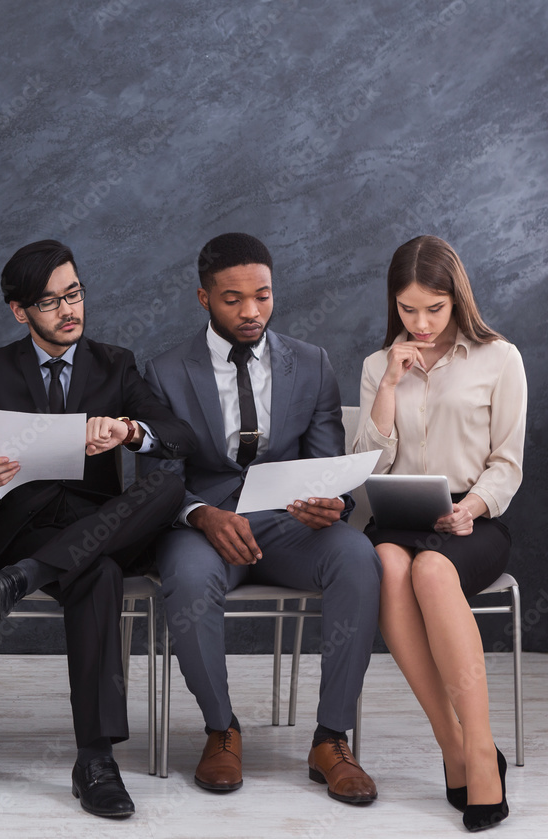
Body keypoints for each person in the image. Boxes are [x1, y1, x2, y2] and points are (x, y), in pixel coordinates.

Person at [144, 232, 382, 804]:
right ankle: (221, 730)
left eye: (263, 296)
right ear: (204, 298)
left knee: (357, 557)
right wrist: (201, 515)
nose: (251, 311)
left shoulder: (312, 363)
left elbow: (326, 465)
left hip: (288, 523)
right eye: (233, 299)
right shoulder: (165, 372)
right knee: (189, 578)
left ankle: (331, 738)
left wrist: (333, 502)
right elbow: (156, 482)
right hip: (204, 527)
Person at [0, 239, 196, 819]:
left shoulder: (116, 363)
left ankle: (28, 578)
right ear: (20, 312)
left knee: (167, 484)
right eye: (49, 302)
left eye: (73, 294)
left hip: (102, 521)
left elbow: (178, 436)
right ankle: (95, 761)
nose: (68, 310)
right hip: (26, 525)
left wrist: (128, 431)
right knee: (98, 573)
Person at [353, 235, 525, 831]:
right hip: (397, 516)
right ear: (393, 304)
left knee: (430, 568)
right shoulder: (378, 366)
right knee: (388, 564)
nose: (421, 323)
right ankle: (450, 744)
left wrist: (472, 507)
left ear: (458, 300)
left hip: (473, 519)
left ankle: (478, 749)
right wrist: (387, 387)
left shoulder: (500, 358)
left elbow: (507, 464)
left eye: (435, 308)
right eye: (408, 309)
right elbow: (368, 468)